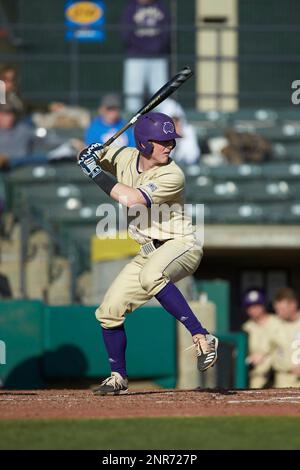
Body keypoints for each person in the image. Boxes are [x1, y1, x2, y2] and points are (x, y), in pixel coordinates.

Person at [78, 111, 218, 395]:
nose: (170, 146)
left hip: (181, 244)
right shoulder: (126, 156)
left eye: (171, 141)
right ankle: (118, 377)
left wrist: (94, 171)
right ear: (143, 144)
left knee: (151, 275)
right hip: (147, 251)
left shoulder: (172, 174)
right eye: (163, 141)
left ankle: (202, 336)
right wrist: (89, 153)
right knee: (108, 312)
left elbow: (131, 199)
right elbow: (96, 154)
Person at [121, 0, 171, 113]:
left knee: (160, 92)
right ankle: (133, 123)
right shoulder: (130, 8)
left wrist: (156, 47)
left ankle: (162, 121)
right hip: (136, 57)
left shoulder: (160, 7)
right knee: (133, 94)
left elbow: (167, 32)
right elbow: (126, 34)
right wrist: (144, 47)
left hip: (158, 57)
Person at [242, 288, 279, 388]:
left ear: (263, 305)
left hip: (277, 376)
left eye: (257, 305)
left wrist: (266, 358)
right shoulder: (247, 327)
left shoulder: (277, 322)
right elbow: (242, 354)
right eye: (249, 306)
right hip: (256, 377)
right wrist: (250, 359)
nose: (253, 309)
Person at [271, 288, 300, 388]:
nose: (279, 313)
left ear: (293, 305)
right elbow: (267, 352)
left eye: (282, 309)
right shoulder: (274, 324)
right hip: (283, 380)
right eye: (277, 309)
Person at [159, 99, 200, 165]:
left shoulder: (188, 131)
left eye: (177, 120)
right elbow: (162, 158)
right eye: (173, 121)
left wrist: (181, 139)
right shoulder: (159, 134)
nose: (176, 124)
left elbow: (192, 157)